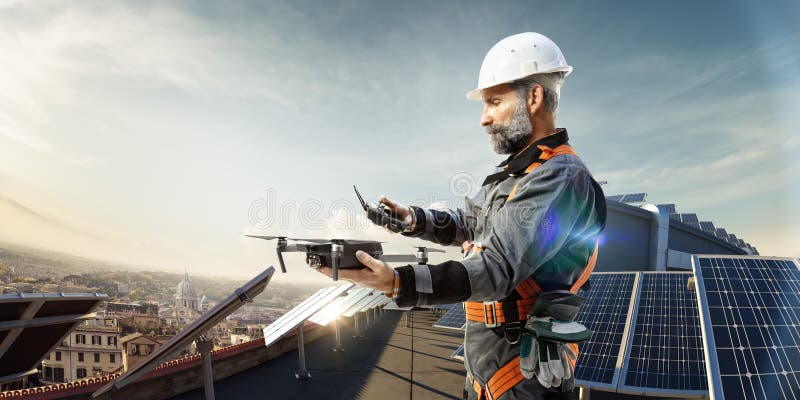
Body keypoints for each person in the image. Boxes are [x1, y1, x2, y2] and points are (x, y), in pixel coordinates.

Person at [319, 32, 606, 400]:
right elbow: (468, 223)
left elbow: (496, 267)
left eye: (494, 102)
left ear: (533, 97)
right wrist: (413, 220)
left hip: (523, 384)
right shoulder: (513, 176)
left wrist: (396, 282)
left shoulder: (560, 178)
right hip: (489, 377)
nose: (484, 119)